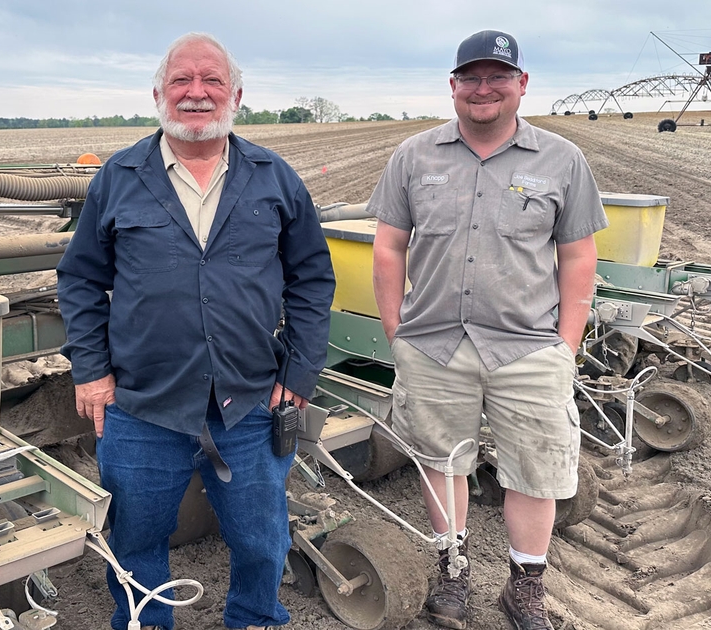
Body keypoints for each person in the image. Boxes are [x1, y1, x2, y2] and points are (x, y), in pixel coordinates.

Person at [56, 32, 334, 630]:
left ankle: (254, 618)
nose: (196, 92)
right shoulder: (119, 176)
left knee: (262, 538)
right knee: (135, 541)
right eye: (181, 80)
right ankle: (146, 622)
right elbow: (79, 279)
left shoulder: (275, 178)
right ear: (159, 94)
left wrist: (299, 371)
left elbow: (312, 279)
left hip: (251, 403)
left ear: (237, 95)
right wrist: (92, 371)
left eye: (212, 80)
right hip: (142, 405)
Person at [367, 30, 607, 630]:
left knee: (536, 471)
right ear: (452, 86)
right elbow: (389, 247)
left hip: (529, 347)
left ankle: (524, 586)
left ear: (521, 83)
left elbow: (578, 255)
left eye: (497, 76)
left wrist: (566, 344)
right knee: (442, 462)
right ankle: (453, 571)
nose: (483, 88)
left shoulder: (562, 160)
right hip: (433, 345)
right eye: (470, 78)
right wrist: (397, 332)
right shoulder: (414, 157)